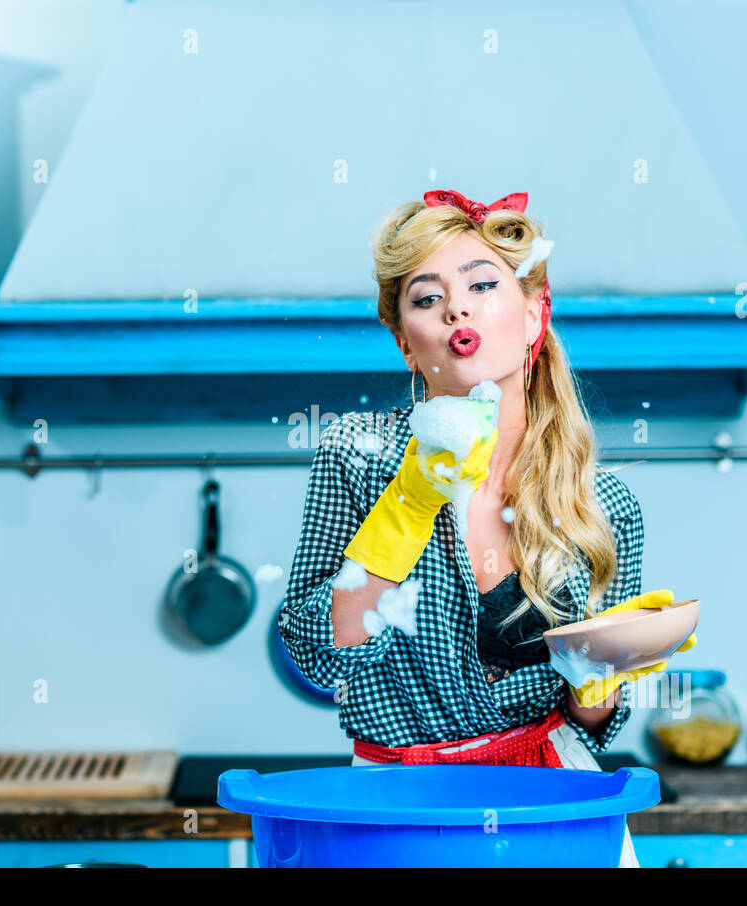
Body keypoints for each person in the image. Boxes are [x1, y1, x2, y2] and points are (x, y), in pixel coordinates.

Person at [278, 189, 697, 867]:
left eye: (481, 284)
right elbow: (320, 653)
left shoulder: (601, 505)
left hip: (553, 803)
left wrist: (602, 670)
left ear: (533, 315)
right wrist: (408, 504)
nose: (456, 307)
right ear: (406, 345)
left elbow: (598, 720)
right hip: (396, 812)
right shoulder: (359, 455)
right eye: (425, 297)